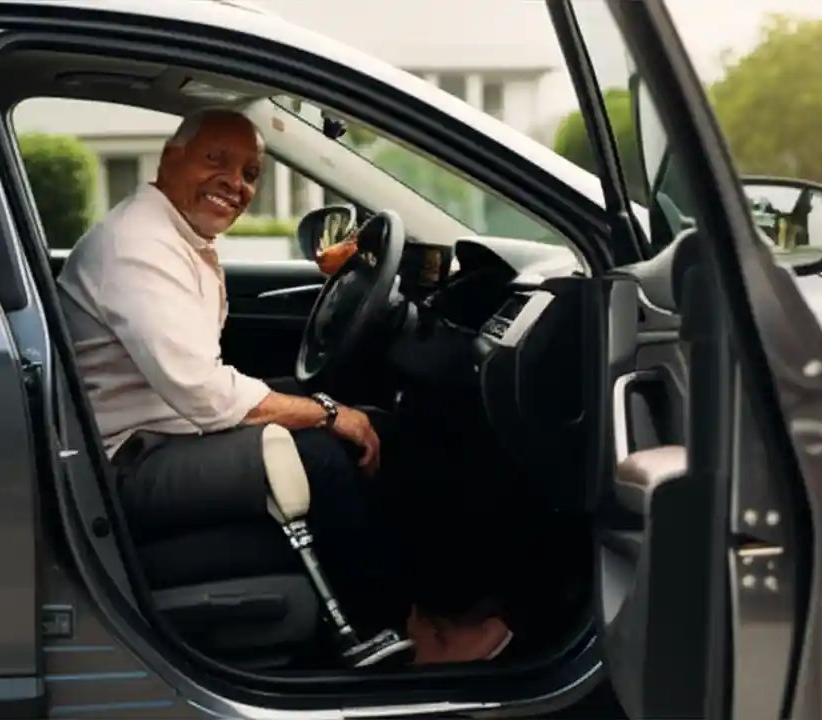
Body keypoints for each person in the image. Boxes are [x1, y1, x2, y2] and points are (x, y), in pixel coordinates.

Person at [55, 108, 511, 665]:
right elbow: (203, 392)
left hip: (163, 423)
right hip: (126, 460)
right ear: (169, 158)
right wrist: (325, 412)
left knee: (380, 425)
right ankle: (395, 633)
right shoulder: (138, 246)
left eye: (249, 172)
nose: (236, 183)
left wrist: (337, 390)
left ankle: (438, 606)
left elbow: (201, 378)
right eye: (216, 160)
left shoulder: (173, 233)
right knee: (323, 452)